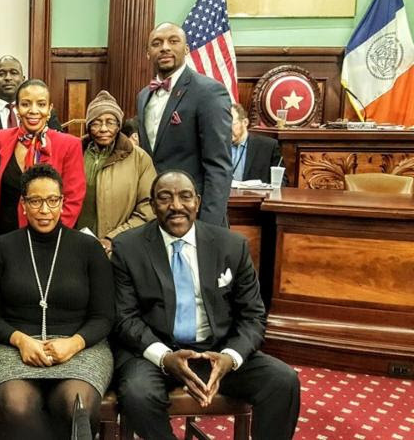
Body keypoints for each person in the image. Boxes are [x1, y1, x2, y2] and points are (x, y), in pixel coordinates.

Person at [112, 170, 300, 440]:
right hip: (155, 353)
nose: (176, 206)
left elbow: (253, 316)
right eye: (165, 198)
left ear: (197, 202)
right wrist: (164, 357)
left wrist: (230, 358)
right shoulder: (128, 247)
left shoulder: (231, 246)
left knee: (283, 381)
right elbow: (125, 317)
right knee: (137, 394)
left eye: (185, 197)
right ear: (152, 205)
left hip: (216, 352)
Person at [0, 164, 115, 440]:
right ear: (23, 204)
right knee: (19, 405)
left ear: (62, 201)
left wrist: (74, 343)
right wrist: (20, 340)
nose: (45, 210)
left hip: (79, 345)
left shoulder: (88, 248)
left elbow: (104, 316)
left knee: (76, 404)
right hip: (14, 345)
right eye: (36, 201)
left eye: (53, 200)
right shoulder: (1, 247)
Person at [135, 22, 232, 226]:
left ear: (186, 49)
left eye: (173, 41)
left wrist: (208, 227)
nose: (165, 48)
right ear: (148, 53)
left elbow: (218, 166)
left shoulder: (208, 92)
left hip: (194, 214)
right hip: (157, 214)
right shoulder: (143, 96)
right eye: (157, 43)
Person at [0, 79, 85, 234]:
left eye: (41, 104)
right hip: (5, 233)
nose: (33, 110)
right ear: (17, 108)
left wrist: (54, 237)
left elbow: (73, 200)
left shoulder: (69, 144)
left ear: (49, 109)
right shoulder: (1, 138)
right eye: (26, 104)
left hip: (49, 235)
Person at [77, 91, 155, 254]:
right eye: (96, 123)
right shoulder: (75, 153)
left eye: (110, 122)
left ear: (119, 126)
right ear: (89, 126)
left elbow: (148, 208)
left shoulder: (139, 159)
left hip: (120, 248)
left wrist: (112, 238)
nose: (103, 128)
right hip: (77, 245)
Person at [0, 55, 61, 131]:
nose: (8, 78)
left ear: (23, 80)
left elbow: (59, 142)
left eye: (14, 73)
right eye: (1, 74)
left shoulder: (44, 111)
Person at [231, 103, 283, 183]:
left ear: (245, 122)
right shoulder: (215, 147)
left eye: (231, 124)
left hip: (255, 195)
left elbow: (281, 182)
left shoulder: (268, 147)